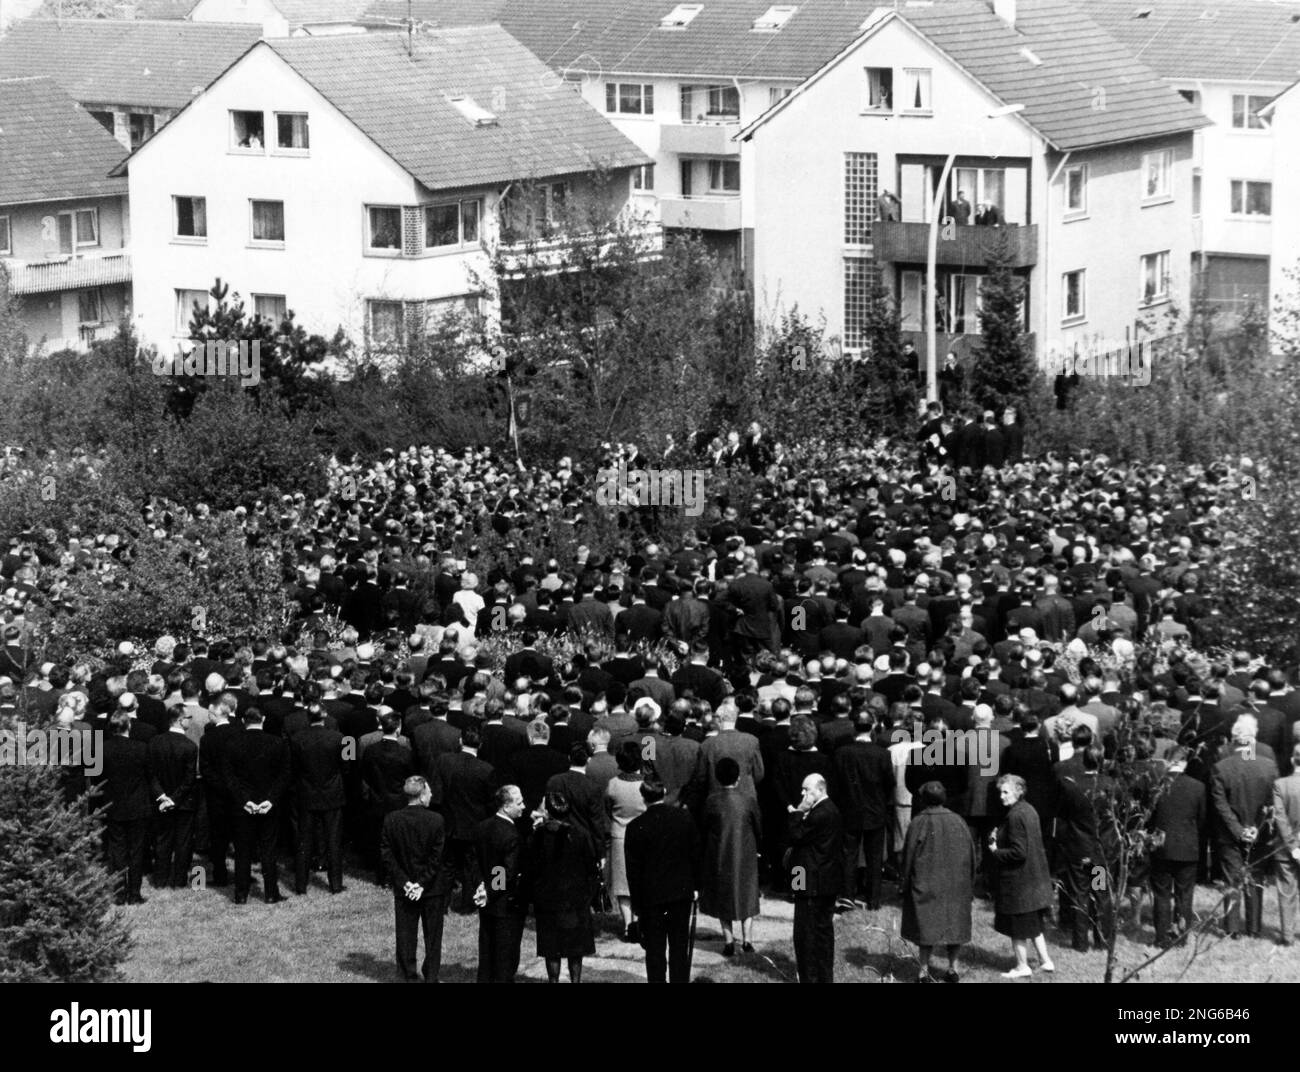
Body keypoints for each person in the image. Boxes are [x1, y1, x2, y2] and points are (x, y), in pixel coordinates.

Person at [625, 777, 701, 983]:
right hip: (680, 894)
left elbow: (633, 872)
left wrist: (637, 905)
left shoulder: (635, 827)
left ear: (643, 797)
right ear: (665, 792)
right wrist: (696, 886)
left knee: (655, 952)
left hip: (651, 898)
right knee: (679, 948)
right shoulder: (683, 818)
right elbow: (696, 855)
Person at [900, 780, 975, 982]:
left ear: (924, 799)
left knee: (926, 928)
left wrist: (904, 883)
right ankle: (953, 969)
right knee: (955, 927)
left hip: (926, 883)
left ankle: (923, 971)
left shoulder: (919, 822)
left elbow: (908, 856)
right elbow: (971, 854)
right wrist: (969, 883)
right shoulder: (958, 820)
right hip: (956, 885)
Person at [1211, 715, 1278, 938]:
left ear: (1234, 739)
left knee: (1232, 877)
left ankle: (1232, 928)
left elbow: (1220, 805)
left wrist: (1239, 830)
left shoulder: (1221, 767)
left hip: (1230, 833)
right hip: (1258, 831)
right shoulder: (1268, 766)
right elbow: (1272, 802)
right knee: (1256, 876)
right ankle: (1254, 927)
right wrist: (1256, 827)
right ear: (1254, 737)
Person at [380, 775, 448, 982]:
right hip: (431, 888)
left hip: (405, 888)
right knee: (433, 937)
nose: (432, 795)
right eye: (428, 791)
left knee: (405, 935)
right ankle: (431, 976)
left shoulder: (391, 819)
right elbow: (437, 858)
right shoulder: (436, 820)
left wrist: (406, 883)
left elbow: (387, 855)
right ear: (421, 795)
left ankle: (406, 975)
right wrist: (422, 883)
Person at [527, 790, 598, 983]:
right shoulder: (580, 835)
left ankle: (553, 981)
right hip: (575, 900)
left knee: (552, 949)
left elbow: (531, 868)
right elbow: (591, 868)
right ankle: (575, 981)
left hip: (548, 900)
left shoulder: (538, 836)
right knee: (576, 950)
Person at [989, 773, 1055, 977]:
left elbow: (1019, 852)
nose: (1002, 796)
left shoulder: (1015, 816)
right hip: (1035, 879)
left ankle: (1021, 966)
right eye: (1000, 792)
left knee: (1017, 928)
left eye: (1006, 792)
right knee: (1034, 925)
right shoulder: (1029, 809)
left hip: (1020, 882)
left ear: (1018, 792)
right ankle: (1046, 961)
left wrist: (995, 850)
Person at [224, 706, 290, 905]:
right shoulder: (278, 743)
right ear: (263, 719)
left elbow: (229, 777)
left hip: (243, 806)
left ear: (244, 720)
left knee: (243, 851)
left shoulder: (232, 744)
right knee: (268, 850)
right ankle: (271, 893)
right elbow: (284, 775)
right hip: (268, 804)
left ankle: (241, 893)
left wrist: (245, 801)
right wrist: (271, 800)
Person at [831, 710, 894, 909]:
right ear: (873, 726)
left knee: (848, 856)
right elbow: (889, 783)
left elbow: (835, 783)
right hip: (875, 811)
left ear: (854, 726)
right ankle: (873, 899)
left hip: (848, 810)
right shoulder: (882, 754)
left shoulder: (842, 753)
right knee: (874, 858)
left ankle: (848, 896)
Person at [700, 756, 762, 956]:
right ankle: (747, 940)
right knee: (747, 894)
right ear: (738, 778)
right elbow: (758, 827)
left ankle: (728, 941)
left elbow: (705, 828)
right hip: (745, 852)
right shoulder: (748, 800)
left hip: (720, 853)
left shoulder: (711, 801)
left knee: (723, 896)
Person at [787, 773, 843, 983]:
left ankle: (809, 978)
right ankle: (823, 977)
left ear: (820, 790)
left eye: (806, 790)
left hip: (809, 881)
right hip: (822, 880)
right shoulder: (830, 810)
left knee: (805, 935)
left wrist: (797, 813)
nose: (802, 793)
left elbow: (795, 836)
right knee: (822, 933)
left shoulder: (819, 814)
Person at [289, 701, 347, 895]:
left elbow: (293, 767)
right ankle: (336, 884)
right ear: (324, 716)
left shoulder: (296, 739)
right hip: (332, 794)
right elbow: (349, 766)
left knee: (303, 840)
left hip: (306, 793)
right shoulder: (341, 738)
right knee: (333, 839)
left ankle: (300, 884)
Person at [1150, 747, 1205, 948]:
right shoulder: (1198, 787)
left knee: (1162, 893)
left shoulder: (1157, 785)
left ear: (1167, 761)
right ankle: (1181, 936)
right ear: (1185, 762)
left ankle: (1161, 937)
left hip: (1162, 845)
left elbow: (1151, 817)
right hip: (1188, 846)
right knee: (1185, 893)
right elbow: (1201, 818)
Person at [96, 711, 153, 905]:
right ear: (129, 726)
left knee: (117, 849)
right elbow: (150, 776)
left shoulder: (101, 749)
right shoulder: (142, 748)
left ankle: (119, 893)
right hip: (138, 805)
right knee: (136, 850)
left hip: (113, 804)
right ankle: (134, 893)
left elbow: (96, 779)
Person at [473, 784, 527, 983]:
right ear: (506, 806)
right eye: (519, 802)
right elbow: (506, 870)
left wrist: (481, 886)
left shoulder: (482, 827)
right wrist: (489, 891)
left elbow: (476, 861)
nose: (524, 806)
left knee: (486, 951)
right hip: (505, 904)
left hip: (486, 901)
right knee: (505, 957)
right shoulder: (510, 835)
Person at [147, 703, 199, 890]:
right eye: (188, 718)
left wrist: (162, 796)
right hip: (184, 802)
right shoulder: (190, 746)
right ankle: (179, 880)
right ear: (179, 720)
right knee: (183, 842)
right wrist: (174, 799)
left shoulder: (154, 742)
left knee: (162, 841)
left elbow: (151, 774)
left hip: (160, 801)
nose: (190, 721)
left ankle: (160, 879)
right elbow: (189, 779)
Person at [605, 739, 647, 941]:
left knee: (622, 885)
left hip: (620, 835)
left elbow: (607, 808)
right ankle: (641, 923)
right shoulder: (646, 785)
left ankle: (628, 925)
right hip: (643, 836)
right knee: (642, 881)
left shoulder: (613, 785)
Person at [1272, 744, 1300, 946]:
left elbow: (1280, 818)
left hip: (1285, 847)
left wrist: (1292, 846)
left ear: (1292, 760)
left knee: (1286, 891)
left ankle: (1287, 935)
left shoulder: (1280, 784)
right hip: (1290, 846)